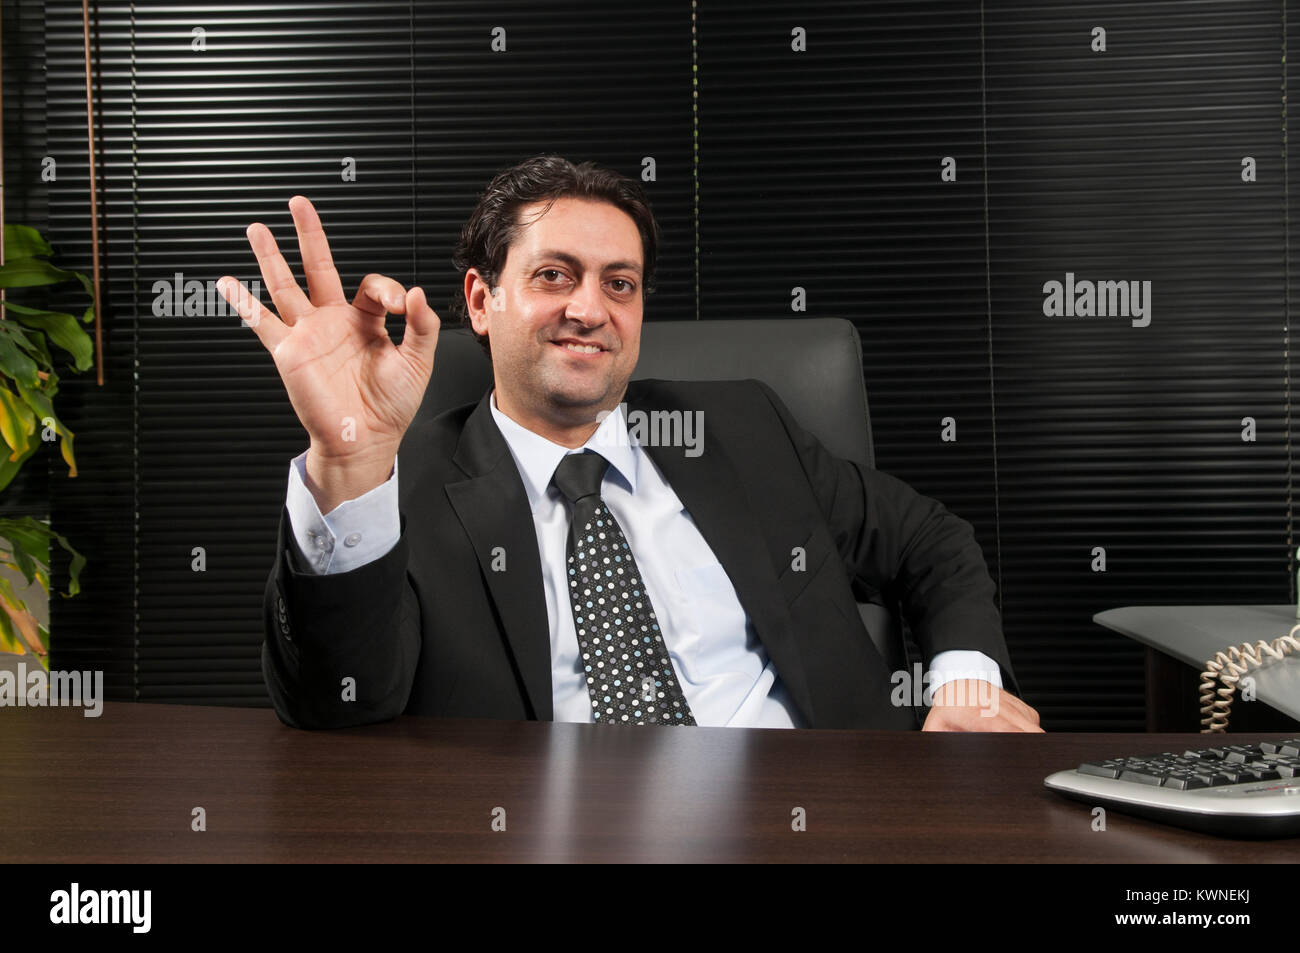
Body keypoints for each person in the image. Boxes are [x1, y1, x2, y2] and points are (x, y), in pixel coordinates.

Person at [217, 155, 1043, 733]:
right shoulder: (404, 488)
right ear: (480, 297)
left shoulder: (745, 428)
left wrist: (964, 682)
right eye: (554, 275)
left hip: (824, 817)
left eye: (620, 283)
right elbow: (332, 703)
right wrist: (350, 459)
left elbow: (931, 541)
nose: (590, 308)